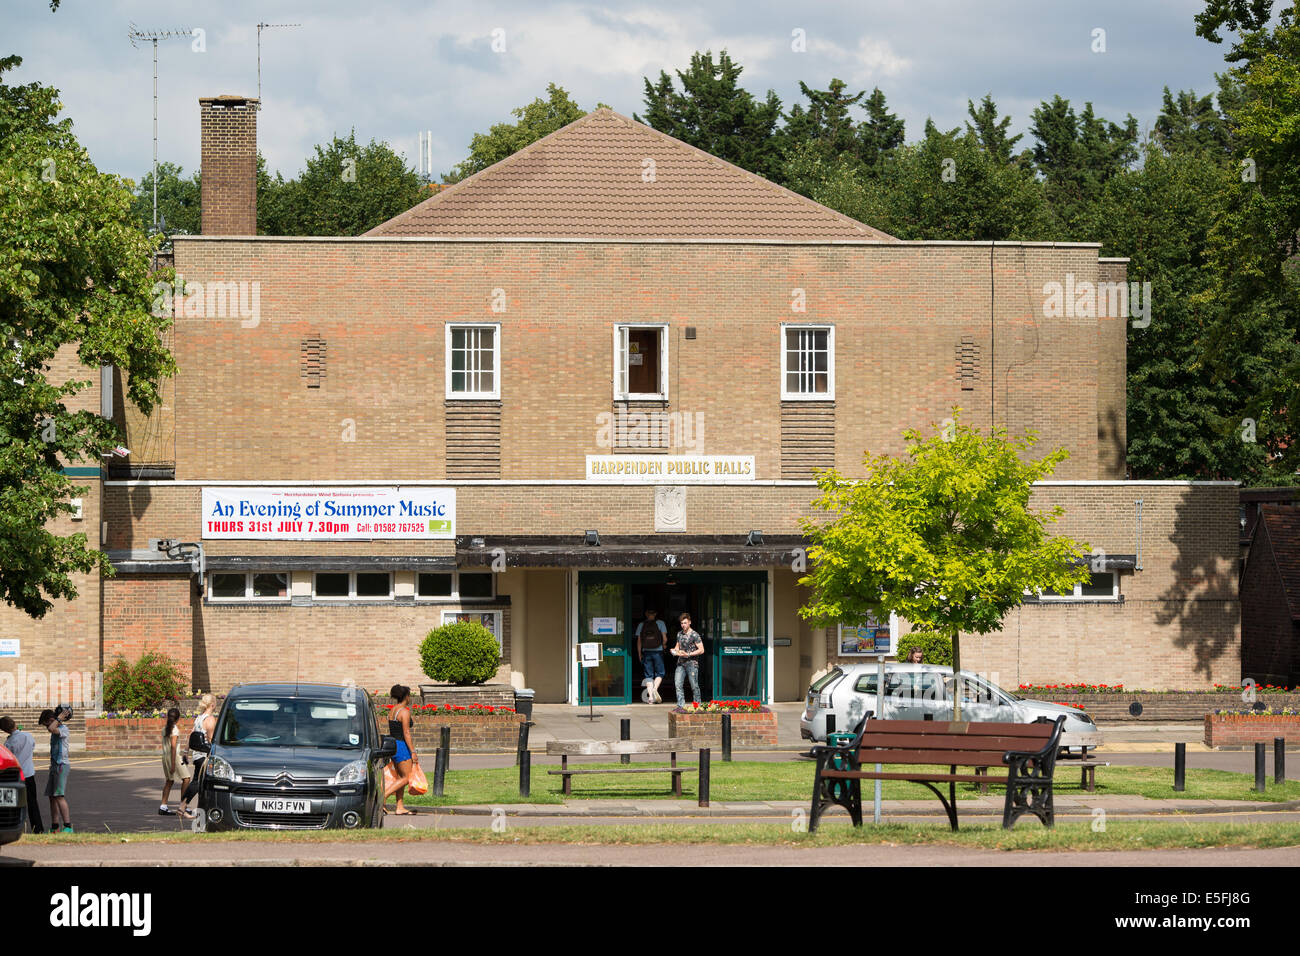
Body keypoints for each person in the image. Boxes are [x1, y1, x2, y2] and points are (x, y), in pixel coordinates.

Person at [0, 716, 44, 833]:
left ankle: (17, 828)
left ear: (4, 730)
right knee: (32, 803)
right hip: (29, 774)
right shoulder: (28, 736)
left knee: (14, 804)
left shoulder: (8, 743)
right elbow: (32, 747)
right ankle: (38, 828)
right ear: (14, 724)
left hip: (17, 777)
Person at [179, 694, 217, 818]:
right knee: (198, 782)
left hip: (196, 755)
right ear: (212, 704)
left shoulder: (199, 718)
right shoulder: (210, 719)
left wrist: (186, 751)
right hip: (205, 756)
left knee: (201, 783)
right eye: (215, 702)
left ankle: (201, 809)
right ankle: (183, 806)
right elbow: (211, 740)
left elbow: (191, 736)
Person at [383, 684, 417, 815]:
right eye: (409, 695)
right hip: (401, 745)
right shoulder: (404, 711)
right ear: (406, 696)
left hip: (393, 744)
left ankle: (400, 807)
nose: (410, 698)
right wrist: (413, 752)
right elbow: (406, 733)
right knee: (407, 777)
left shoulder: (393, 710)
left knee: (400, 777)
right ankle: (383, 798)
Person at [37, 708, 73, 832]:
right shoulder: (54, 730)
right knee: (52, 797)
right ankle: (55, 826)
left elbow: (52, 728)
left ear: (52, 720)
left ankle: (68, 827)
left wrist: (59, 719)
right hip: (54, 766)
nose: (46, 727)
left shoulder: (63, 730)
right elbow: (51, 728)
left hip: (61, 766)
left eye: (46, 723)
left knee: (59, 796)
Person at [160, 707, 193, 819]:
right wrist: (173, 764)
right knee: (187, 778)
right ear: (178, 718)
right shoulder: (174, 729)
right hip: (174, 758)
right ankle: (182, 806)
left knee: (169, 781)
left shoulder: (165, 728)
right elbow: (173, 747)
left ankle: (163, 807)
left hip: (165, 757)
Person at [670, 611, 705, 708]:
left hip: (692, 663)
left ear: (689, 622)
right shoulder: (679, 634)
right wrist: (674, 651)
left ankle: (697, 706)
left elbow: (701, 650)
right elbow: (677, 646)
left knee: (694, 686)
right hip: (681, 663)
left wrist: (688, 654)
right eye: (681, 623)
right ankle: (680, 706)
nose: (683, 625)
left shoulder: (694, 635)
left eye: (685, 623)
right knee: (678, 684)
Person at [636, 607, 668, 703]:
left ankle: (650, 698)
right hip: (658, 651)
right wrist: (664, 645)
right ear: (655, 614)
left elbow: (639, 641)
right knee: (660, 673)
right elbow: (665, 638)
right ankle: (655, 689)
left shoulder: (641, 625)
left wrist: (639, 653)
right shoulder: (661, 623)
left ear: (646, 614)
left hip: (646, 652)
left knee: (648, 675)